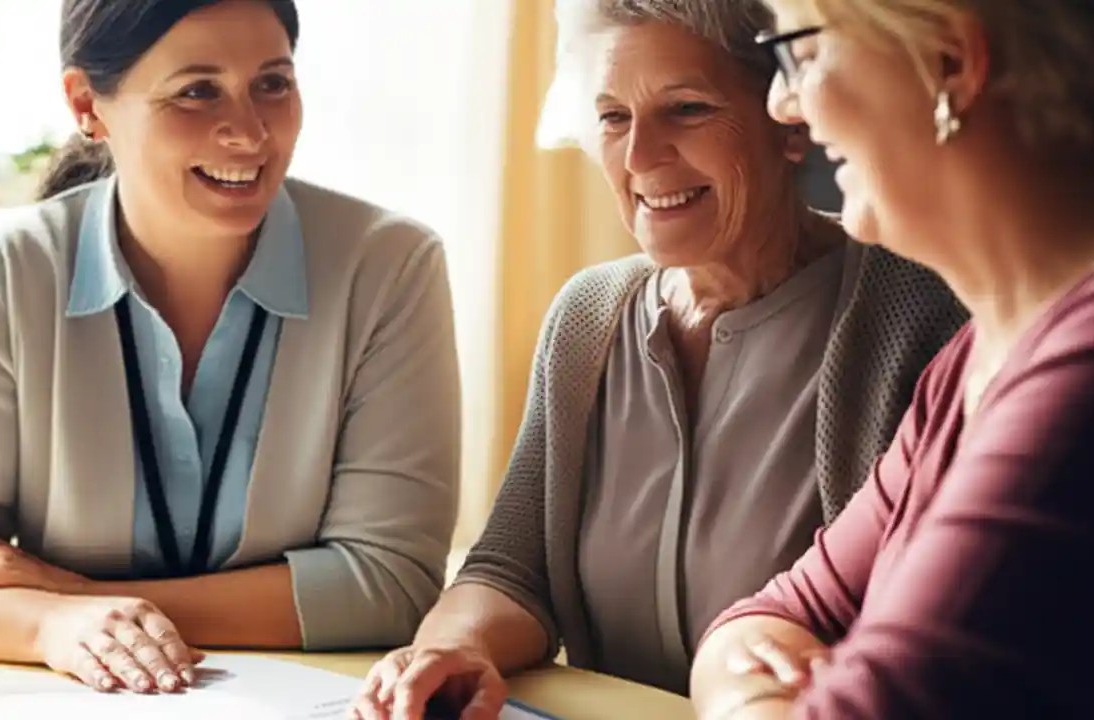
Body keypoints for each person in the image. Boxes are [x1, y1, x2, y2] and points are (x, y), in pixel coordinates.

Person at [350, 0, 966, 716]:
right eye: (613, 118)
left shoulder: (918, 308)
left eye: (687, 109)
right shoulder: (588, 315)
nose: (640, 156)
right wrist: (455, 647)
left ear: (788, 121)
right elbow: (512, 570)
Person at [691, 0, 1094, 717]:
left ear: (949, 61)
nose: (783, 101)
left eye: (805, 51)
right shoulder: (976, 357)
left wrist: (760, 696)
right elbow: (765, 617)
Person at [0, 0, 460, 695]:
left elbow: (387, 583)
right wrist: (51, 626)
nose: (250, 132)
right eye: (197, 91)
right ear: (86, 104)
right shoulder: (10, 266)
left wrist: (70, 592)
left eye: (273, 84)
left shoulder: (389, 266)